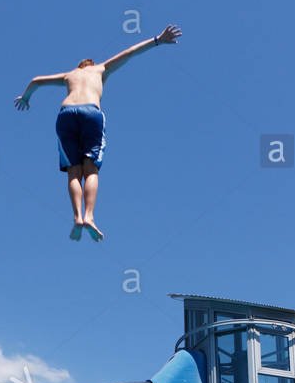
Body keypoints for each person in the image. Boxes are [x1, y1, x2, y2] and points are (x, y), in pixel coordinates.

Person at [14, 24, 182, 241]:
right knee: (91, 170)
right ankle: (89, 217)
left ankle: (76, 218)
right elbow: (130, 52)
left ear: (79, 68)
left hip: (66, 114)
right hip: (91, 113)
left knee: (73, 172)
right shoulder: (100, 69)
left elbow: (36, 80)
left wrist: (26, 97)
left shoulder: (69, 75)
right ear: (91, 66)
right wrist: (157, 40)